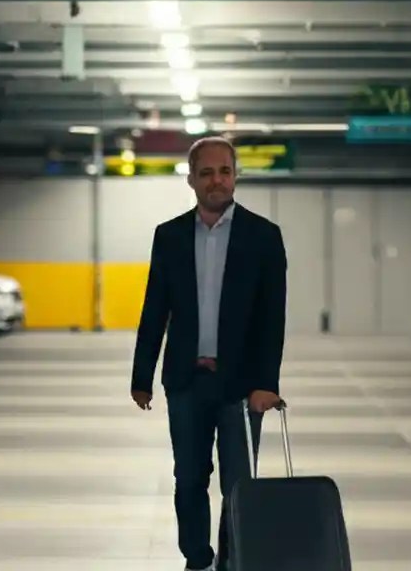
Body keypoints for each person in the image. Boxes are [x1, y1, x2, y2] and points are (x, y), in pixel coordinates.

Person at [130, 136, 288, 571]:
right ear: (191, 180)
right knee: (189, 478)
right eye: (206, 173)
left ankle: (233, 560)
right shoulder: (170, 236)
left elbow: (272, 318)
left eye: (224, 172)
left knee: (238, 483)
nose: (216, 181)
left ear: (236, 176)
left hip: (241, 385)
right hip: (186, 380)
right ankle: (198, 559)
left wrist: (266, 384)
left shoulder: (264, 237)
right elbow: (155, 308)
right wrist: (142, 377)